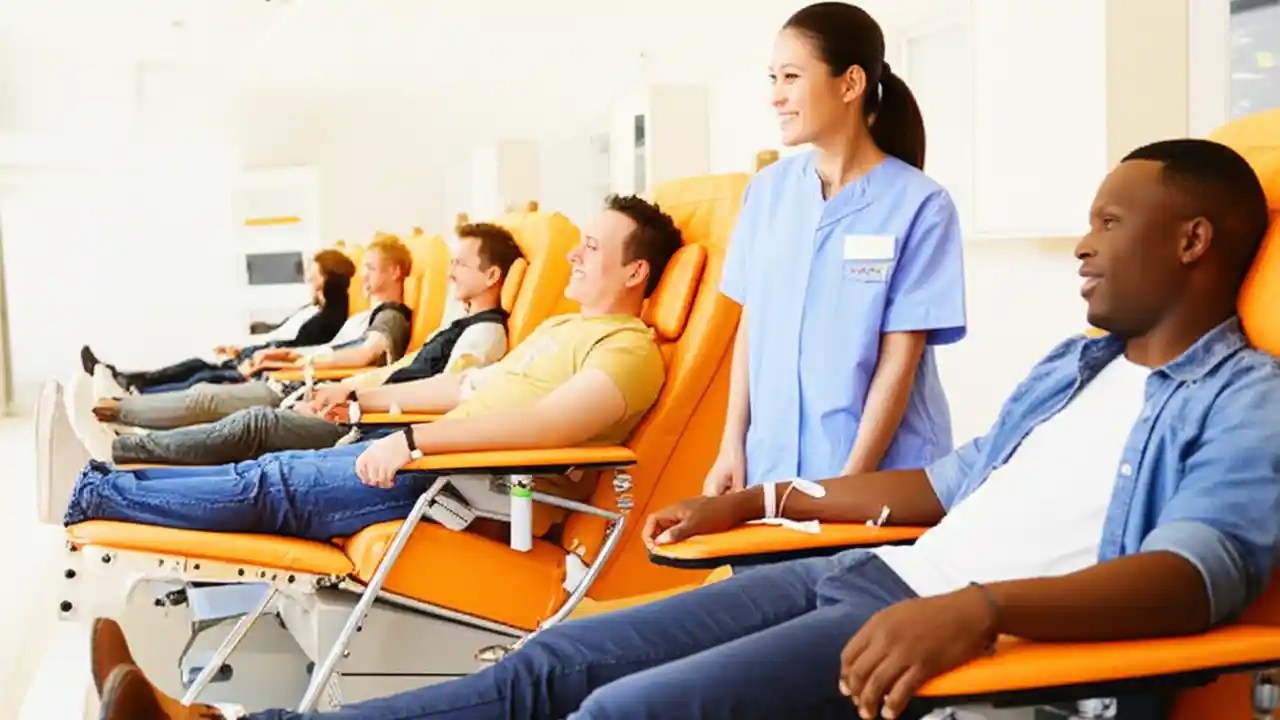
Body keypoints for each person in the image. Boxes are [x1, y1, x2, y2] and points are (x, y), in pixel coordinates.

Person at [90, 141, 1280, 720]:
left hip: (960, 637)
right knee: (547, 661)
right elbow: (945, 484)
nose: (1080, 244)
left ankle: (102, 488)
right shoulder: (1073, 369)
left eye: (1108, 221)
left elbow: (1193, 576)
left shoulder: (1246, 399)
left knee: (616, 714)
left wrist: (983, 606)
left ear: (1188, 241)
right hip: (863, 574)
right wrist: (761, 503)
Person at [58, 194, 682, 545]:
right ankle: (98, 478)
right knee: (267, 469)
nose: (574, 252)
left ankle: (93, 490)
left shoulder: (629, 351)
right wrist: (362, 406)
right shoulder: (563, 328)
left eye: (593, 248)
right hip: (437, 467)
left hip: (471, 491)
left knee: (272, 487)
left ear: (635, 273)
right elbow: (467, 386)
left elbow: (548, 428)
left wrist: (412, 440)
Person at [706, 2, 967, 497]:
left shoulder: (921, 205)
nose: (775, 97)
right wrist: (731, 447)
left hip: (881, 477)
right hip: (769, 469)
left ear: (850, 84)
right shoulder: (767, 193)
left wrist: (847, 487)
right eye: (772, 79)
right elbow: (751, 328)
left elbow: (899, 356)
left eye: (790, 77)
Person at [73, 223, 522, 466]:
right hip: (355, 404)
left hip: (376, 426)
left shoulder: (482, 334)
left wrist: (352, 400)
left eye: (460, 265)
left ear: (492, 276)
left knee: (249, 424)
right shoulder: (459, 325)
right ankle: (126, 432)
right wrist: (342, 392)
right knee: (219, 400)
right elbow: (392, 371)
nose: (448, 273)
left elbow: (445, 399)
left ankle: (121, 444)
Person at [68, 235, 415, 449]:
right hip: (297, 382)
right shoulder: (361, 316)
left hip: (305, 387)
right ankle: (120, 417)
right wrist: (288, 355)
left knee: (211, 400)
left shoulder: (392, 315)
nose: (363, 275)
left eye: (371, 268)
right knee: (203, 392)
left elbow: (368, 354)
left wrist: (295, 361)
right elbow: (330, 350)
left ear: (396, 273)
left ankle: (117, 421)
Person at [79, 248, 357, 396]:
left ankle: (132, 390)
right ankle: (127, 380)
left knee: (202, 377)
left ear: (326, 276)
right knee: (195, 364)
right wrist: (240, 348)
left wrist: (255, 361)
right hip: (255, 358)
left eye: (314, 270)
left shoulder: (328, 318)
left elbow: (298, 351)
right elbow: (280, 334)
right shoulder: (311, 308)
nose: (307, 273)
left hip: (264, 370)